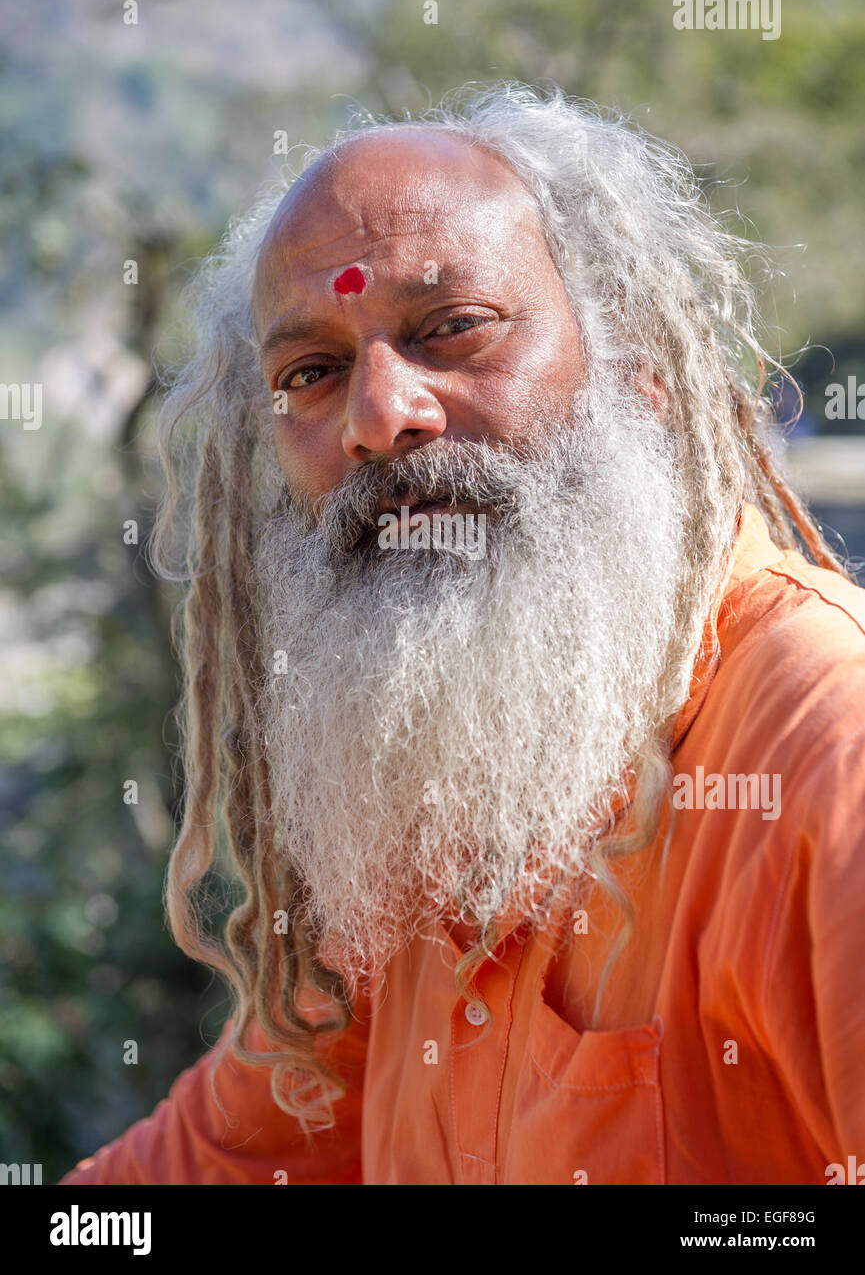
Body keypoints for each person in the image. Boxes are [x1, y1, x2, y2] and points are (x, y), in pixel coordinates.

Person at [61, 82, 865, 1186]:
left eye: (452, 330)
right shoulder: (422, 784)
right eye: (312, 371)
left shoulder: (822, 746)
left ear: (637, 366)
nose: (380, 417)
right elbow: (208, 1167)